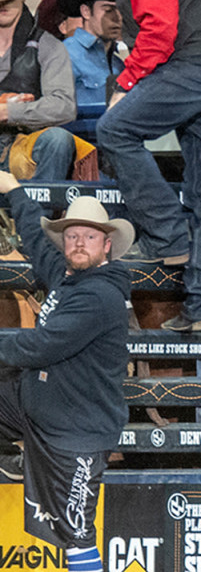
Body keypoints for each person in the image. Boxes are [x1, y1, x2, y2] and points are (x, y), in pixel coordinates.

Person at [73, 0, 201, 332]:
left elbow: (160, 32)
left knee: (114, 128)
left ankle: (169, 236)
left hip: (196, 63)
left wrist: (126, 81)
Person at [0, 169, 134, 572]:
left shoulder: (99, 295)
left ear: (106, 245)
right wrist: (15, 192)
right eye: (73, 235)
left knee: (76, 536)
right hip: (41, 411)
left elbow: (41, 347)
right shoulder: (67, 277)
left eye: (89, 237)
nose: (79, 243)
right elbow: (39, 245)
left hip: (75, 434)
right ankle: (12, 456)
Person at [0, 0, 80, 181]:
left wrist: (7, 112)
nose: (3, 5)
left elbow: (63, 106)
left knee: (57, 140)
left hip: (21, 145)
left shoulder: (48, 46)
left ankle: (39, 215)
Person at [60, 0, 125, 108]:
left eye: (121, 9)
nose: (117, 18)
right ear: (86, 11)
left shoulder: (119, 64)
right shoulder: (64, 55)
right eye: (108, 10)